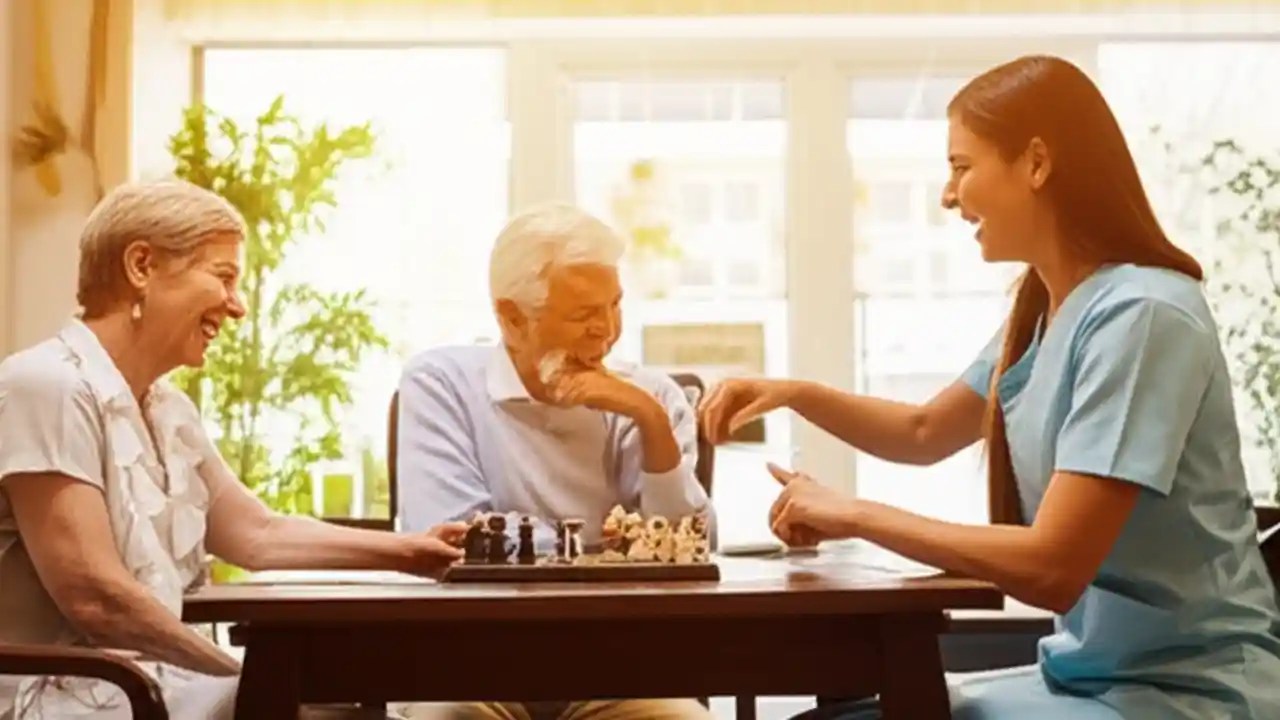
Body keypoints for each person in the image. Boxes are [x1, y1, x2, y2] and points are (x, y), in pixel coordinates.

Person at [700, 55, 1280, 720]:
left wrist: (852, 514)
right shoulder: (1047, 311)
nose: (948, 197)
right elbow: (923, 432)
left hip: (1187, 693)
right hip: (1083, 677)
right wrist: (795, 392)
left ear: (1036, 163)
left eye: (960, 167)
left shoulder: (1144, 316)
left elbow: (1054, 565)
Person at [0, 180, 466, 720]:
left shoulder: (166, 408)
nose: (238, 306)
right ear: (141, 266)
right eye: (223, 276)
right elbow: (95, 597)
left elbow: (257, 533)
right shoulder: (45, 386)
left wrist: (411, 551)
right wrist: (242, 676)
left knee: (366, 709)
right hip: (72, 698)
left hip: (147, 686)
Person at [393, 203, 711, 720]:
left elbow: (684, 551)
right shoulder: (441, 383)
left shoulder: (652, 396)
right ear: (512, 319)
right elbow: (452, 537)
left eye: (615, 306)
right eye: (585, 315)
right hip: (470, 664)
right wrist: (604, 551)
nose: (607, 333)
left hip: (623, 668)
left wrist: (651, 422)